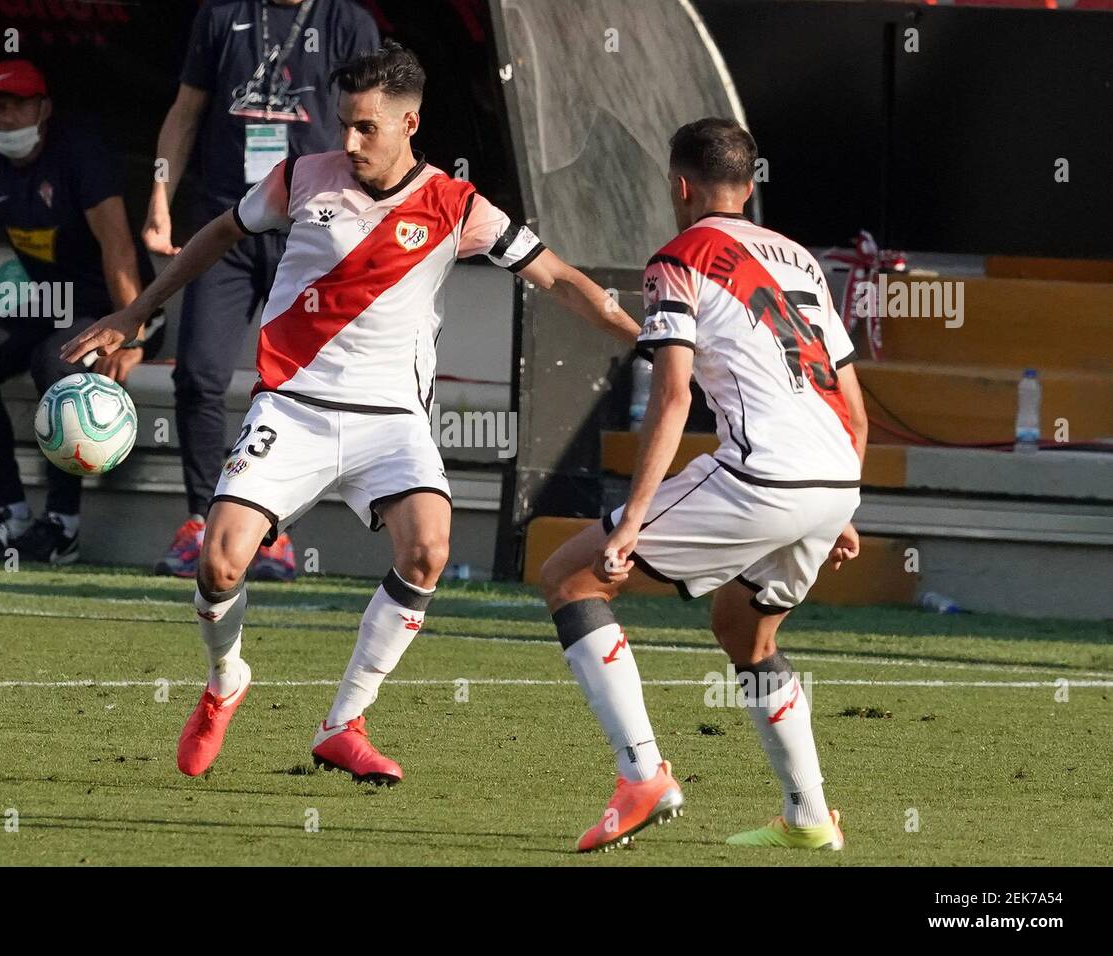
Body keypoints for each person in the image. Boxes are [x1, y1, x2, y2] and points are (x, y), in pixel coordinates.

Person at [64, 42, 640, 785]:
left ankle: (343, 723)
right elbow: (218, 234)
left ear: (409, 123)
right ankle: (225, 680)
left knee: (429, 548)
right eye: (344, 124)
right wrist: (140, 309)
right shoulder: (302, 178)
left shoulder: (458, 206)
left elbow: (559, 279)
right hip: (293, 407)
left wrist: (653, 338)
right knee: (218, 561)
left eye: (366, 127)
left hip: (391, 420)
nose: (350, 142)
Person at [538, 118, 868, 853]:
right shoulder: (802, 261)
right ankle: (810, 817)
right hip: (832, 474)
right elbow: (852, 402)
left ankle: (643, 775)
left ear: (679, 187)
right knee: (744, 631)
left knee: (569, 578)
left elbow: (673, 395)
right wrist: (838, 500)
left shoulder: (677, 260)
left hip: (762, 474)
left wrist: (632, 522)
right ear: (749, 189)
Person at [145, 0, 379, 578]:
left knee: (297, 382)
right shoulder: (222, 16)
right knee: (197, 372)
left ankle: (270, 531)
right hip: (228, 221)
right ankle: (203, 521)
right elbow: (185, 112)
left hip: (313, 225)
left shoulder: (348, 23)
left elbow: (375, 125)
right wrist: (158, 199)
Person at [0, 59, 158, 566]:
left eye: (18, 104)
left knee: (54, 362)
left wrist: (129, 333)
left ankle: (62, 526)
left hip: (113, 306)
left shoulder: (79, 153)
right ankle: (11, 515)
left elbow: (118, 248)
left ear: (44, 107)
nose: (6, 117)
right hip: (51, 302)